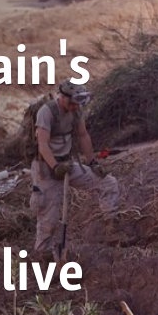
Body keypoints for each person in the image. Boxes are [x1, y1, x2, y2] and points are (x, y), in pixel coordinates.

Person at [30, 81, 120, 261]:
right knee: (50, 216)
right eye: (72, 102)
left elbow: (83, 135)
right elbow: (42, 145)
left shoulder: (76, 110)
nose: (74, 106)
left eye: (77, 103)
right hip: (46, 169)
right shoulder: (46, 112)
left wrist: (92, 162)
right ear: (62, 97)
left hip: (68, 165)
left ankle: (112, 229)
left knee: (108, 183)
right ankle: (43, 255)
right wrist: (55, 167)